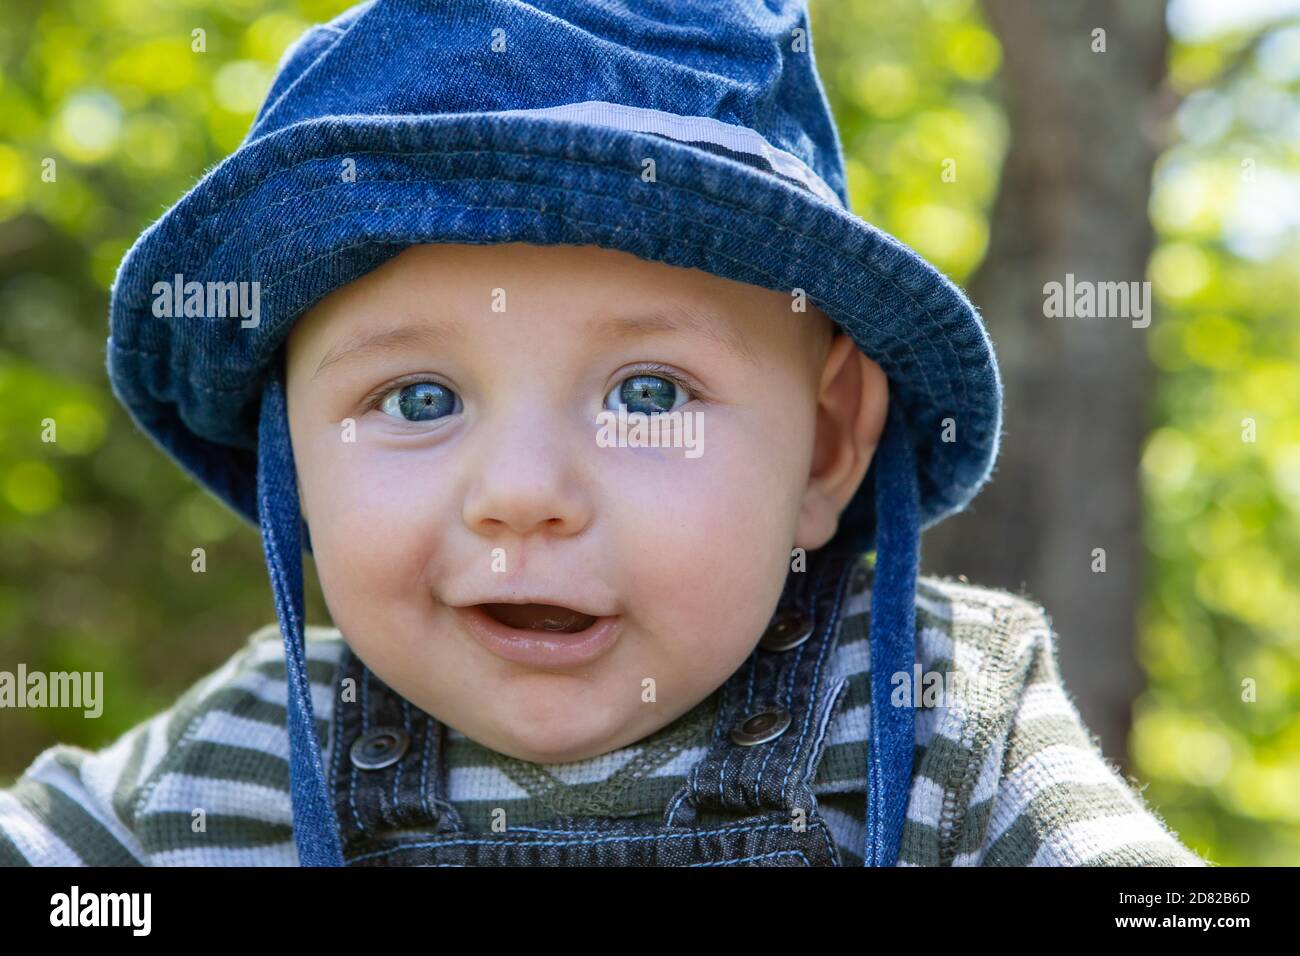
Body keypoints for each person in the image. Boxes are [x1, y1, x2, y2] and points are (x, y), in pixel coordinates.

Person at [0, 0, 1208, 866]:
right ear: (295, 462)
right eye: (417, 399)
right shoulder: (254, 745)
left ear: (827, 444)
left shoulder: (937, 713)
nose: (521, 495)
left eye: (647, 393)